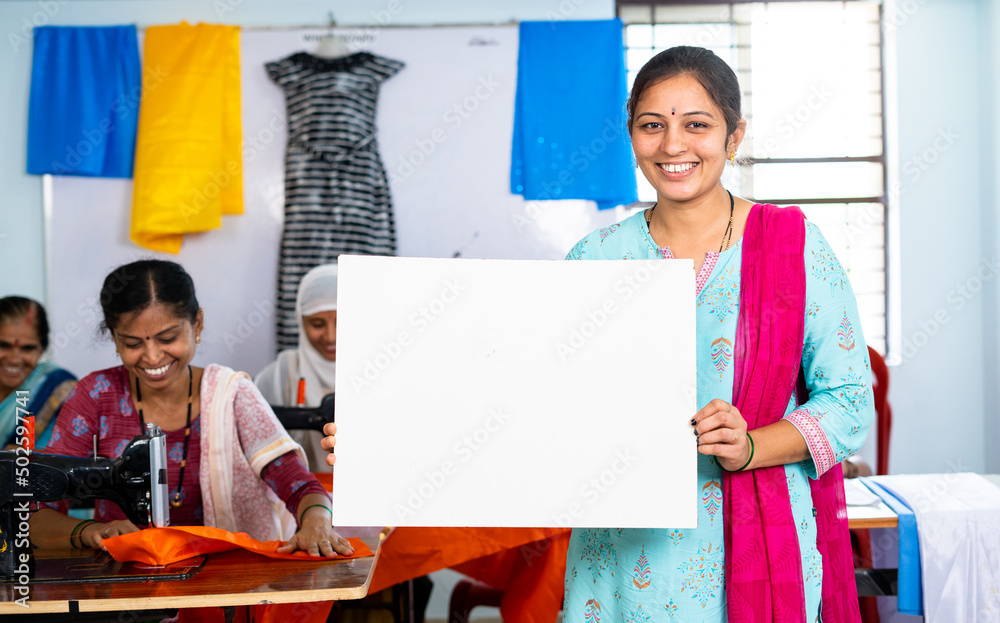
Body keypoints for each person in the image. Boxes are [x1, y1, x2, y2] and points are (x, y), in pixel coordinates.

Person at [325, 45, 873, 622]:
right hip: (618, 566)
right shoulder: (596, 258)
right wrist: (388, 436)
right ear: (631, 134)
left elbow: (850, 403)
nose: (673, 145)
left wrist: (752, 445)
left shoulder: (794, 247)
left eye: (697, 125)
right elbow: (526, 404)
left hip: (757, 548)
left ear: (734, 136)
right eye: (652, 126)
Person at [30, 260, 352, 560]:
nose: (152, 357)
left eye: (168, 338)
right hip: (123, 575)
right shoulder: (95, 396)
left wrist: (317, 522)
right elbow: (34, 510)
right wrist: (89, 531)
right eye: (132, 344)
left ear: (197, 323)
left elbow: (300, 486)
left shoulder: (231, 395)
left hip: (224, 578)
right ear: (114, 339)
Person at [256, 263, 338, 470]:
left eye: (341, 322)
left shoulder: (379, 372)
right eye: (317, 324)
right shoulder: (279, 377)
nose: (331, 336)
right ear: (301, 321)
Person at [0, 296, 76, 449]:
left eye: (27, 348)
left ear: (42, 349)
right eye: (4, 346)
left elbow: (51, 458)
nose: (14, 359)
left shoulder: (57, 388)